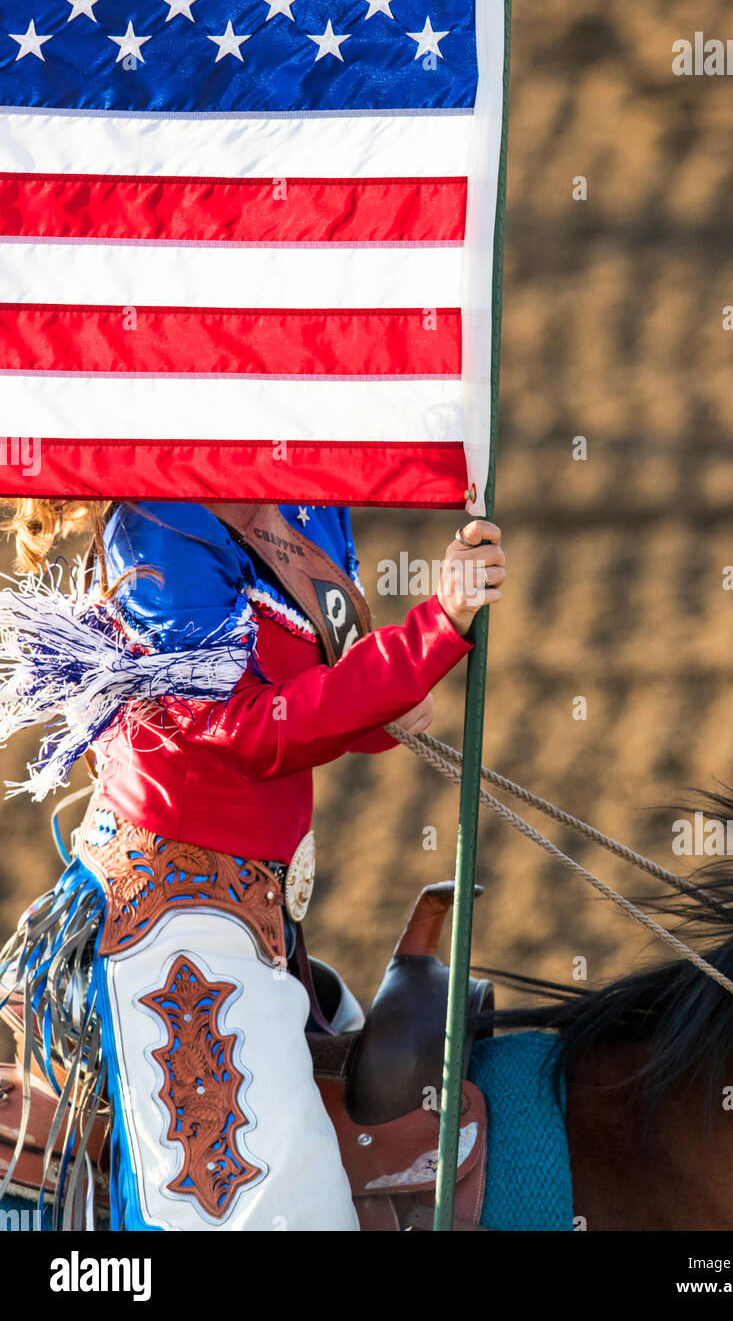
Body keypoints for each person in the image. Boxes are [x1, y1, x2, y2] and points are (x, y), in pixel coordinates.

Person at [0, 498, 505, 1231]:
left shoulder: (309, 499)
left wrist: (381, 701)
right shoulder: (160, 519)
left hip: (249, 916)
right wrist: (429, 635)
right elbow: (236, 730)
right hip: (175, 928)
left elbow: (295, 695)